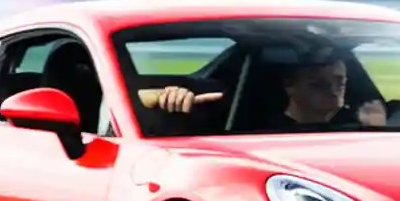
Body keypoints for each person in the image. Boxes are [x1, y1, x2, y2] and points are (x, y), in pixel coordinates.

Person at [148, 47, 387, 130]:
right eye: (318, 83)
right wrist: (173, 103)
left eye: (340, 82)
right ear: (289, 86)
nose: (333, 90)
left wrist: (379, 130)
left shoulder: (358, 127)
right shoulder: (258, 129)